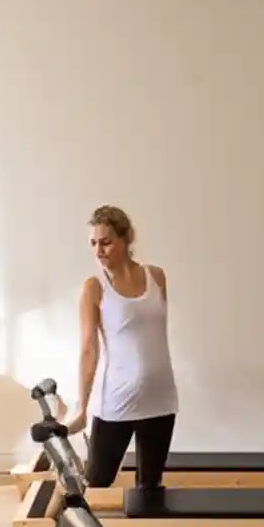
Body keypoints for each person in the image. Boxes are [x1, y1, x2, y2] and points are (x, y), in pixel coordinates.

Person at [56, 205, 178, 488]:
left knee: (150, 487)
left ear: (127, 238)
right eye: (93, 243)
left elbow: (153, 337)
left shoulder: (156, 277)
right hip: (117, 401)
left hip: (161, 398)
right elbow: (89, 349)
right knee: (97, 482)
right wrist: (83, 409)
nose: (99, 250)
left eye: (106, 242)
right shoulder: (94, 287)